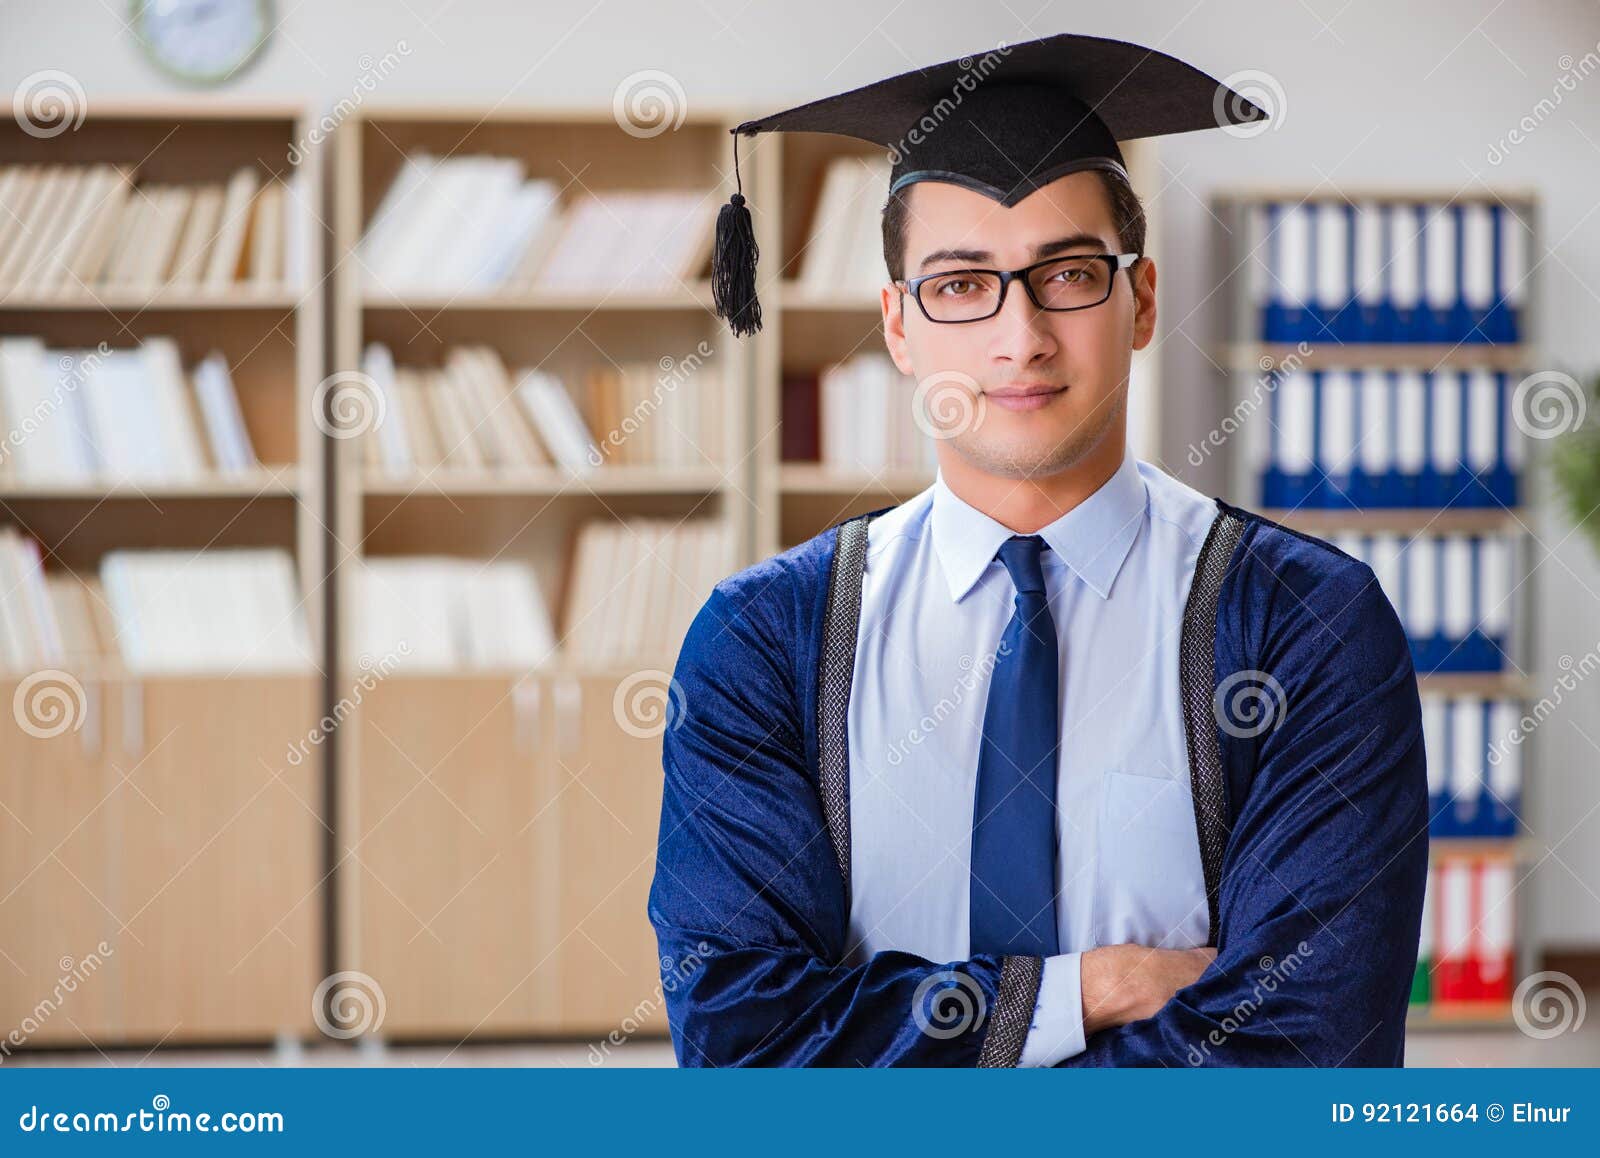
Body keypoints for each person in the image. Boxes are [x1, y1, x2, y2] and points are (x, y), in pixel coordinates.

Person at [648, 31, 1428, 1067]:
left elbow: (1303, 1056)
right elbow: (743, 1043)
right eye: (962, 285)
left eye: (1066, 274)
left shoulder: (1302, 624)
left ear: (1140, 300)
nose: (1020, 337)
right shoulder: (764, 641)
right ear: (897, 326)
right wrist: (1089, 989)